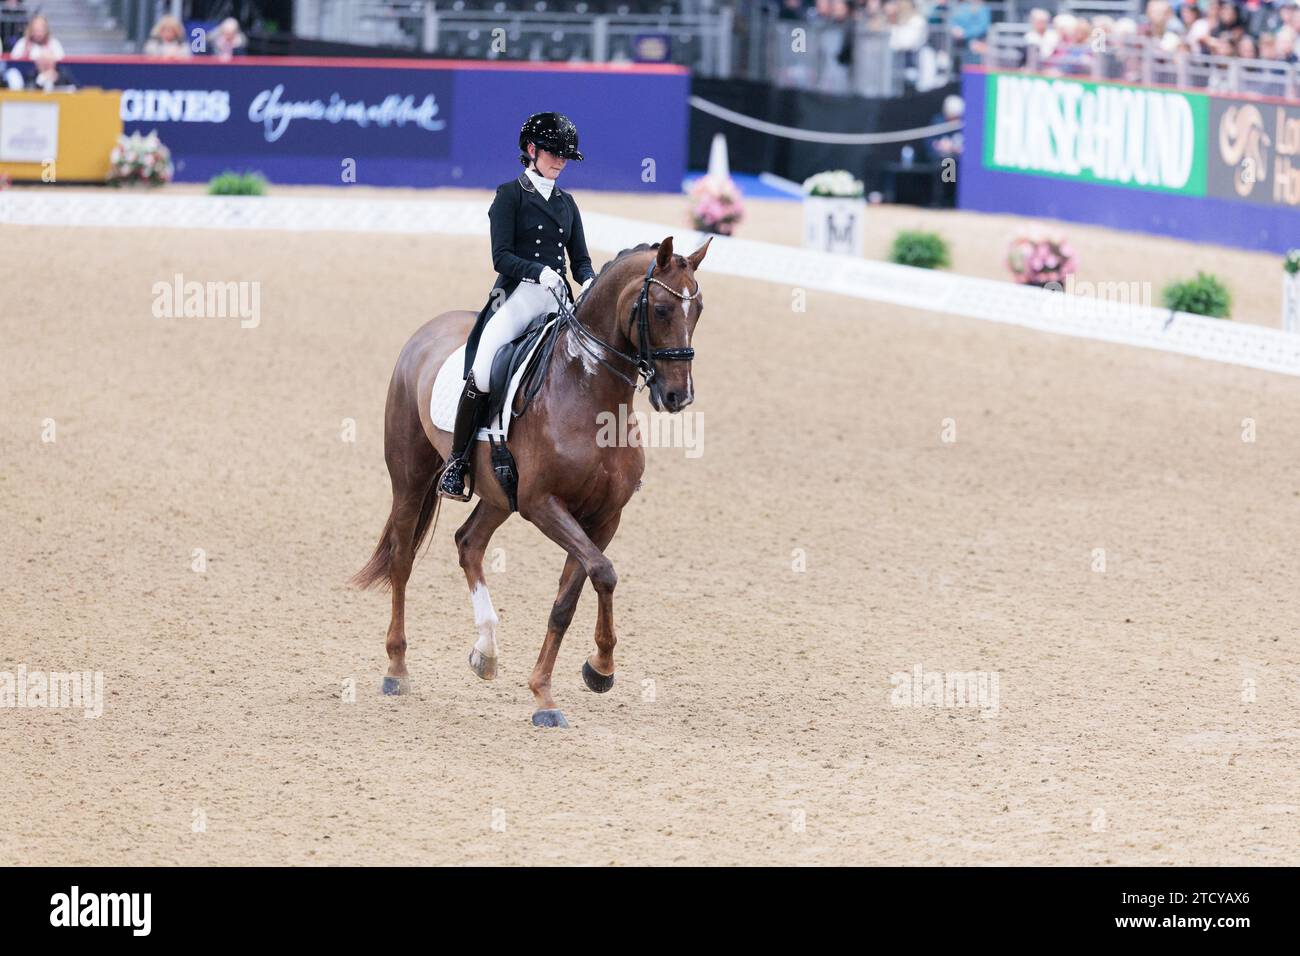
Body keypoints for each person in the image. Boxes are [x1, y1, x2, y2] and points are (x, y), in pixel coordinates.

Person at [437, 112, 596, 501]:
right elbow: (502, 257)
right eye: (554, 154)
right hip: (518, 296)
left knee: (594, 364)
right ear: (531, 150)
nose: (560, 162)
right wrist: (538, 272)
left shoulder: (567, 203)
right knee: (484, 367)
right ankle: (457, 463)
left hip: (558, 299)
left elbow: (579, 259)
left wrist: (590, 281)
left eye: (565, 157)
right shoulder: (509, 195)